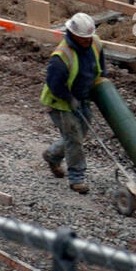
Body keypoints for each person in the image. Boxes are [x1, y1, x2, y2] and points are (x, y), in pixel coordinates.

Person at [40, 12, 105, 193]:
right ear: (73, 34)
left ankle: (52, 155)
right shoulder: (60, 58)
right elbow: (55, 86)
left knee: (78, 134)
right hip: (61, 102)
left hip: (83, 97)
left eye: (89, 38)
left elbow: (101, 67)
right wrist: (70, 100)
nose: (87, 41)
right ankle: (77, 178)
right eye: (83, 39)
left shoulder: (95, 43)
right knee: (74, 139)